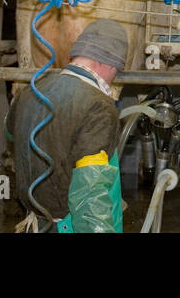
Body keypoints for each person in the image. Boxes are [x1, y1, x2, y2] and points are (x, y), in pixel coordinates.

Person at [7, 19, 127, 230]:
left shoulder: (28, 93)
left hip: (34, 223)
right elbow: (90, 195)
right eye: (116, 70)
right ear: (108, 64)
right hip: (69, 226)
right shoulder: (98, 107)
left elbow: (11, 138)